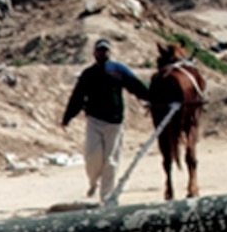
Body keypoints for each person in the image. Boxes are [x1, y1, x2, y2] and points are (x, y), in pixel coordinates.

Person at [60, 39, 154, 199]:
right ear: (94, 53)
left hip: (115, 123)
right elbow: (77, 97)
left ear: (109, 53)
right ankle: (93, 182)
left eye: (105, 51)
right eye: (99, 50)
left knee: (110, 160)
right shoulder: (88, 74)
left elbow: (136, 86)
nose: (102, 53)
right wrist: (67, 117)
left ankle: (106, 196)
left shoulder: (118, 70)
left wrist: (153, 97)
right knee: (92, 157)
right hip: (94, 121)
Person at [147, 42, 207, 200]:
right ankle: (192, 182)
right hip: (188, 103)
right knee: (191, 129)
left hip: (161, 106)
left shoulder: (157, 77)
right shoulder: (191, 73)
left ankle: (169, 185)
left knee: (164, 138)